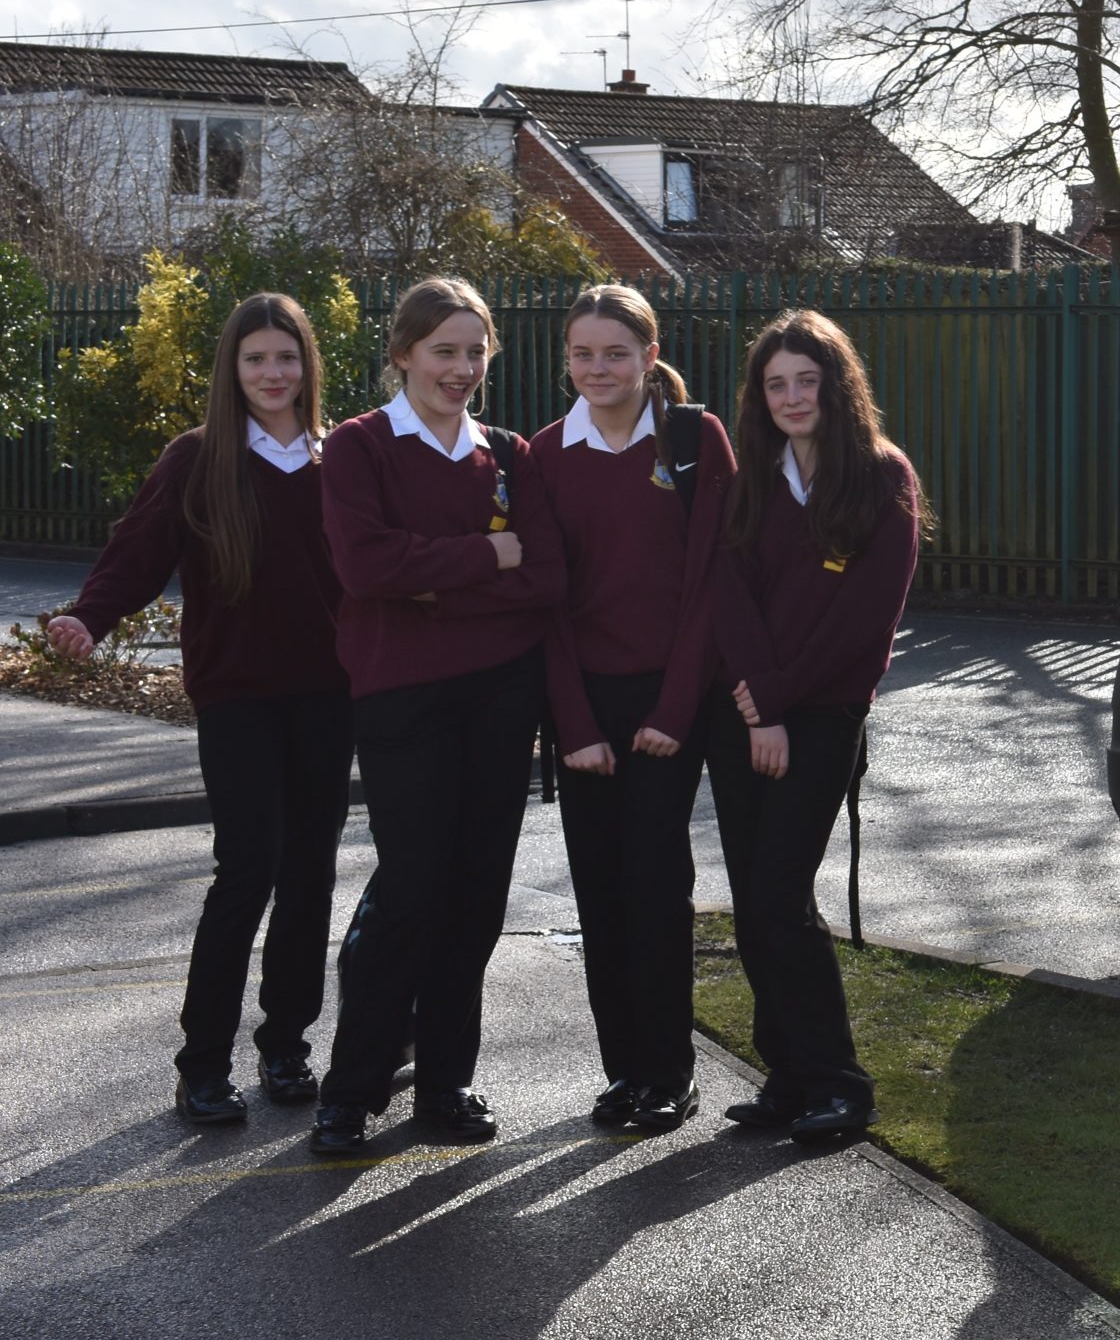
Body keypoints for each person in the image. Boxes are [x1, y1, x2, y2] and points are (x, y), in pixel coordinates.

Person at [50, 294, 351, 1125]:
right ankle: (203, 1062)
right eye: (255, 359)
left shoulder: (341, 456)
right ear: (233, 369)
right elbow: (136, 553)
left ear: (307, 365)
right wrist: (88, 614)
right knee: (247, 868)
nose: (272, 374)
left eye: (285, 358)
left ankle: (286, 1045)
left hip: (329, 695)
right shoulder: (198, 458)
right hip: (237, 696)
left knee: (310, 875)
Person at [308, 277, 563, 1156]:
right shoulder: (357, 448)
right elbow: (366, 569)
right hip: (401, 695)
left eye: (474, 351)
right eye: (443, 351)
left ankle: (446, 1086)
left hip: (500, 696)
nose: (461, 369)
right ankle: (352, 1089)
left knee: (477, 894)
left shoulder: (511, 455)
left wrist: (430, 586)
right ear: (404, 354)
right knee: (414, 887)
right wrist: (485, 558)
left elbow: (545, 579)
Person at [708, 309, 925, 1143]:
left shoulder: (881, 477)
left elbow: (863, 622)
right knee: (755, 902)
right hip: (745, 720)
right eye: (776, 384)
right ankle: (788, 1077)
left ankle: (841, 1083)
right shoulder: (750, 476)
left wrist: (779, 705)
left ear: (837, 388)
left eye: (807, 380)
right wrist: (757, 704)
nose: (792, 396)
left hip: (824, 719)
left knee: (777, 897)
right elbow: (729, 596)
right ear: (759, 397)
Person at [533, 285, 736, 1136]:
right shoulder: (545, 455)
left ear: (651, 356)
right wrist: (572, 726)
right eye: (582, 354)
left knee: (655, 885)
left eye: (615, 353)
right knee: (600, 893)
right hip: (587, 707)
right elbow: (545, 602)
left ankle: (668, 1070)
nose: (597, 369)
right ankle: (623, 1071)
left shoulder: (696, 440)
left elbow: (712, 585)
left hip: (672, 703)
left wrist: (675, 708)